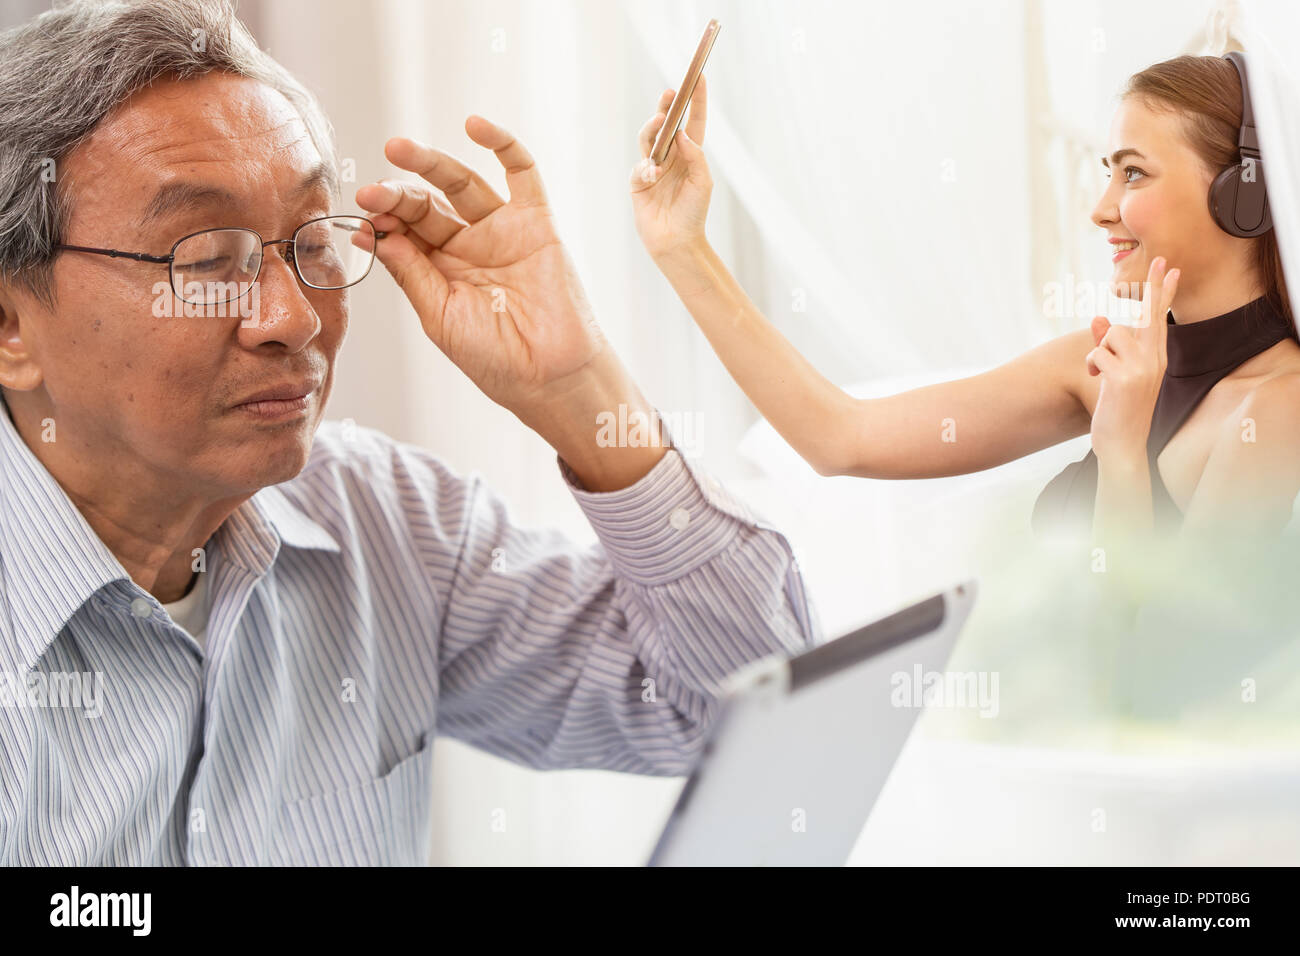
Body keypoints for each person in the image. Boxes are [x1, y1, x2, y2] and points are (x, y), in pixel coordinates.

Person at [0, 0, 817, 865]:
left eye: (312, 241)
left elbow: (752, 709)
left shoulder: (381, 519)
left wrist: (578, 389)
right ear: (14, 326)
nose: (293, 318)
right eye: (205, 258)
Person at [630, 56, 1300, 544]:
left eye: (1133, 173)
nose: (1100, 211)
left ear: (1240, 194)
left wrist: (1123, 451)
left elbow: (1163, 669)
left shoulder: (1275, 409)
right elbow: (839, 437)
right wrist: (682, 248)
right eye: (1107, 173)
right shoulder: (1099, 364)